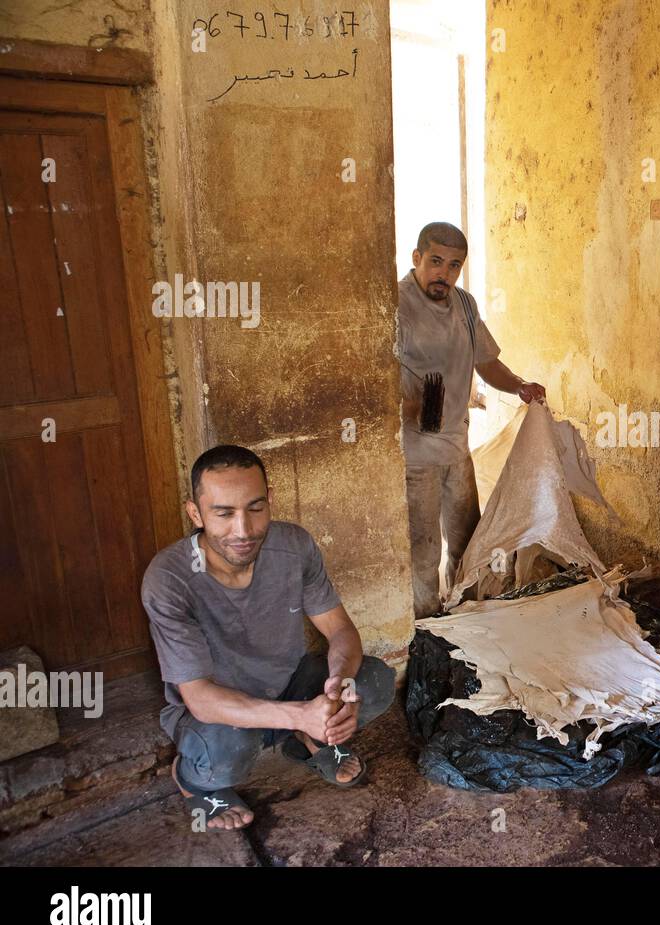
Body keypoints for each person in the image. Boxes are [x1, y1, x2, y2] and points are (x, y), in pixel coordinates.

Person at [141, 445, 396, 831]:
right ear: (195, 513)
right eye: (223, 513)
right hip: (222, 712)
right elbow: (199, 699)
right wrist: (302, 714)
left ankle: (306, 739)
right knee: (225, 751)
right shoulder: (170, 578)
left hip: (288, 684)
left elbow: (340, 630)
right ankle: (191, 779)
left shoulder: (293, 545)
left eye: (255, 508)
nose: (243, 530)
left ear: (270, 501)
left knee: (373, 682)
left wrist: (337, 688)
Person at [398, 222, 546, 616]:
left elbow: (486, 362)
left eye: (453, 265)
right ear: (416, 259)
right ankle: (426, 631)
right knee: (423, 551)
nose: (443, 274)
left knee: (469, 542)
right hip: (413, 457)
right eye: (435, 262)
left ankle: (465, 618)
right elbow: (369, 374)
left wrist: (518, 386)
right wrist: (406, 404)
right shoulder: (395, 304)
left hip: (457, 450)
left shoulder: (465, 304)